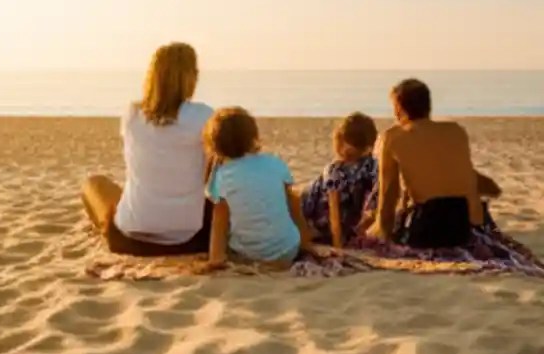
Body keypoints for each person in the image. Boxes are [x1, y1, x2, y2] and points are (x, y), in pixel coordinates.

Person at [81, 43, 215, 256]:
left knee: (93, 183)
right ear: (191, 77)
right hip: (188, 240)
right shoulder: (204, 116)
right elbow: (210, 172)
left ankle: (106, 228)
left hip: (129, 240)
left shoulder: (132, 114)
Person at [367, 78, 492, 248]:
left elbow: (388, 195)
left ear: (399, 108)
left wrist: (379, 233)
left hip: (427, 227)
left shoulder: (392, 137)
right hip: (462, 224)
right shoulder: (455, 131)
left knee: (377, 233)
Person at [200, 107, 312, 272]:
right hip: (288, 250)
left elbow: (220, 219)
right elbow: (293, 204)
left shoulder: (222, 176)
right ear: (253, 136)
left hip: (248, 256)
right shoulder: (275, 163)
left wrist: (215, 258)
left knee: (232, 236)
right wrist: (305, 241)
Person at [300, 113, 379, 247]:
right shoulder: (370, 166)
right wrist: (344, 239)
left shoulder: (339, 168)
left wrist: (340, 242)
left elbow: (335, 209)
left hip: (328, 218)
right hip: (332, 219)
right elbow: (334, 207)